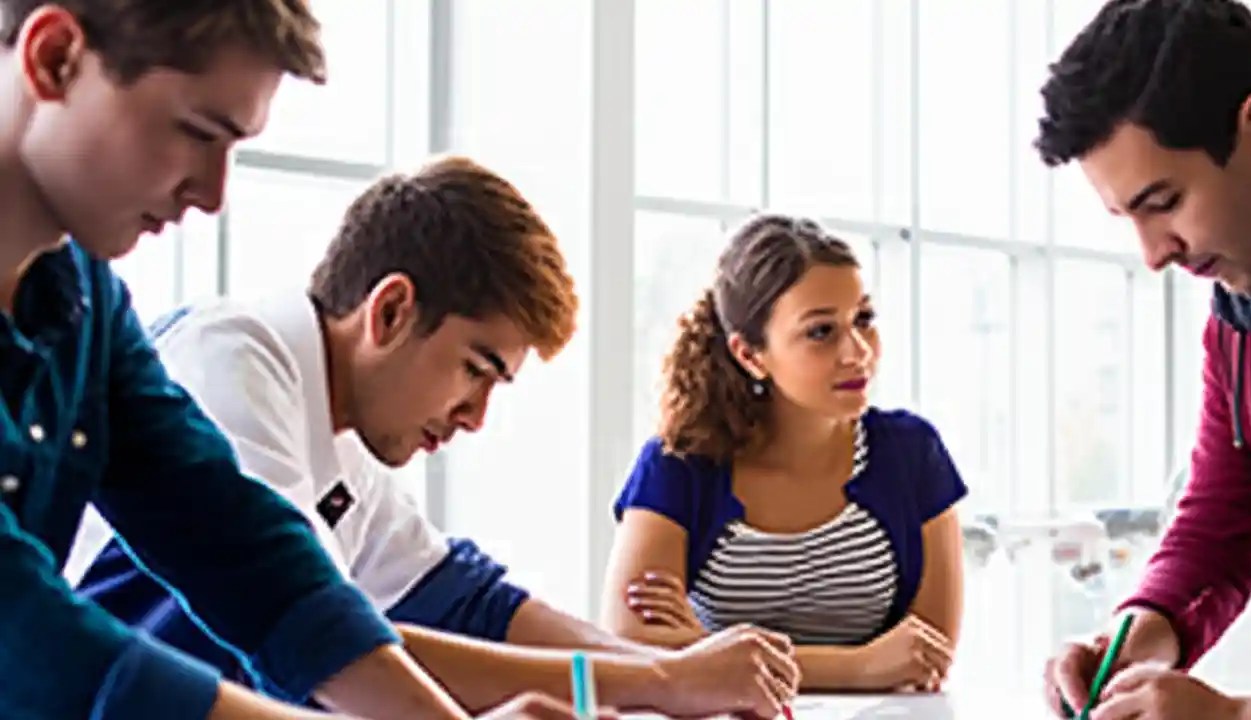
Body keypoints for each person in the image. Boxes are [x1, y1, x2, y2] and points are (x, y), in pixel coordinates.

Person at [68, 155, 801, 718]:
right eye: (475, 371)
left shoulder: (343, 435)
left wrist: (674, 667)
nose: (475, 416)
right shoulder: (232, 362)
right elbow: (313, 633)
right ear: (390, 311)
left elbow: (472, 604)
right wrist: (663, 680)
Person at [0, 2, 569, 718]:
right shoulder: (231, 350)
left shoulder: (86, 298)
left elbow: (237, 542)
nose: (214, 195)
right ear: (54, 58)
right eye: (196, 132)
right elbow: (34, 641)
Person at [599, 214, 968, 693]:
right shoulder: (679, 465)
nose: (857, 352)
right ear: (750, 354)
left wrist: (706, 647)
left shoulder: (913, 454)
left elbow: (925, 655)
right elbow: (627, 643)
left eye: (864, 320)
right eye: (821, 332)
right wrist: (856, 667)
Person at [1036, 1, 1251, 718]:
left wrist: (1240, 717)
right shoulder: (1243, 317)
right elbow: (1223, 518)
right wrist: (1141, 632)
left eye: (1164, 202)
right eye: (1129, 218)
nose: (1153, 254)